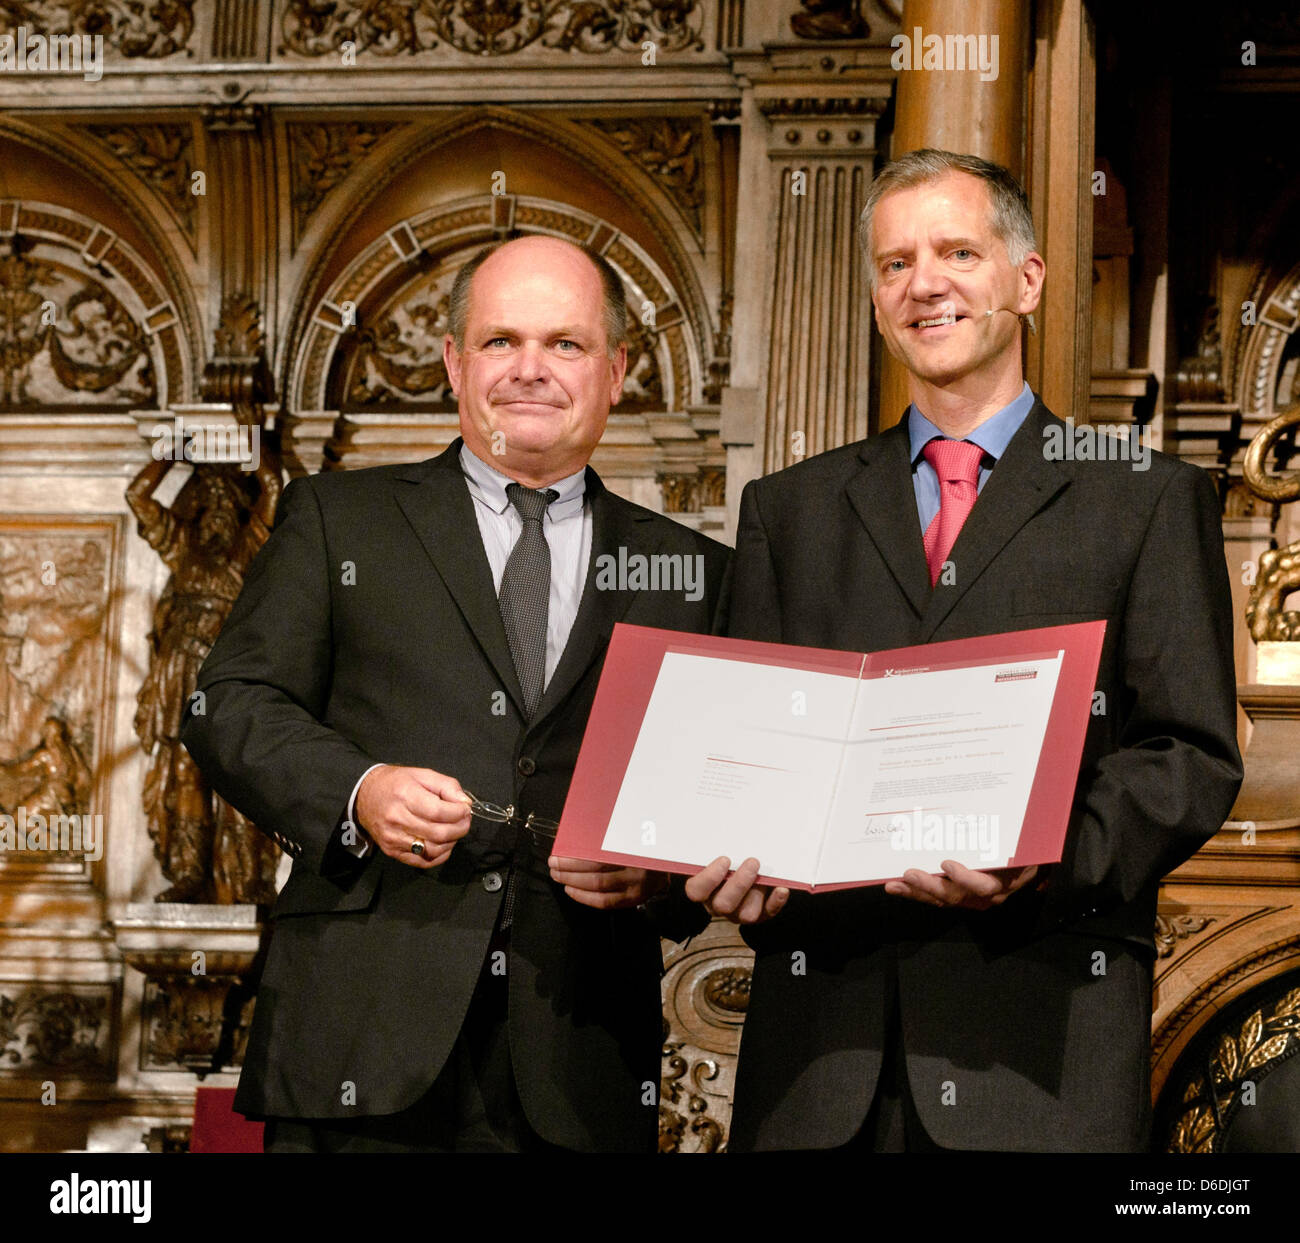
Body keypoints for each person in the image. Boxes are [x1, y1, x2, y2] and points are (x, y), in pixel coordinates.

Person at [687, 149, 1243, 1152]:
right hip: (818, 1063)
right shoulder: (790, 512)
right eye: (895, 263)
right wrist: (728, 860)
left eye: (956, 251)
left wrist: (1043, 859)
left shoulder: (1145, 499)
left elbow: (1188, 754)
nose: (923, 283)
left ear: (1025, 281)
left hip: (1037, 1054)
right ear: (873, 297)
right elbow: (749, 754)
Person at [182, 235, 729, 1152]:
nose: (530, 369)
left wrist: (659, 873)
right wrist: (360, 789)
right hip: (358, 1039)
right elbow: (228, 704)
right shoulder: (336, 518)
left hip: (581, 1061)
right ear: (452, 361)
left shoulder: (696, 574)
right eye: (500, 340)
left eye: (565, 344)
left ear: (617, 370)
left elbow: (722, 794)